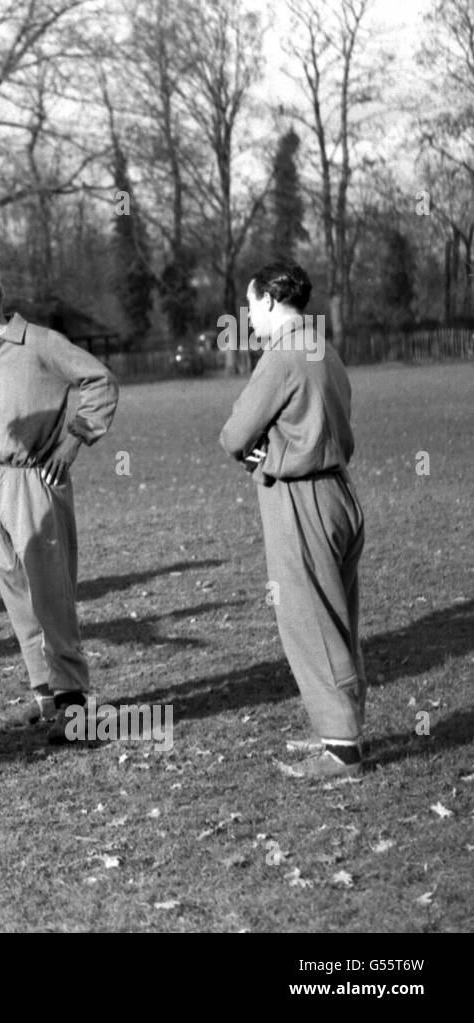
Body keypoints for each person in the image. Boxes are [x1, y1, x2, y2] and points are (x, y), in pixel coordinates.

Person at [0, 269, 119, 740]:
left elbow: (100, 380)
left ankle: (75, 705)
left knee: (50, 590)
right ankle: (46, 694)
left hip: (35, 481)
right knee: (13, 587)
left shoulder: (41, 343)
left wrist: (72, 443)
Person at [220, 261, 366, 780]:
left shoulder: (281, 354)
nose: (247, 316)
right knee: (337, 616)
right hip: (340, 491)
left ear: (265, 300)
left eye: (249, 304)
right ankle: (339, 731)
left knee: (309, 621)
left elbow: (235, 433)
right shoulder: (323, 345)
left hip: (301, 499)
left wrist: (264, 451)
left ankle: (343, 750)